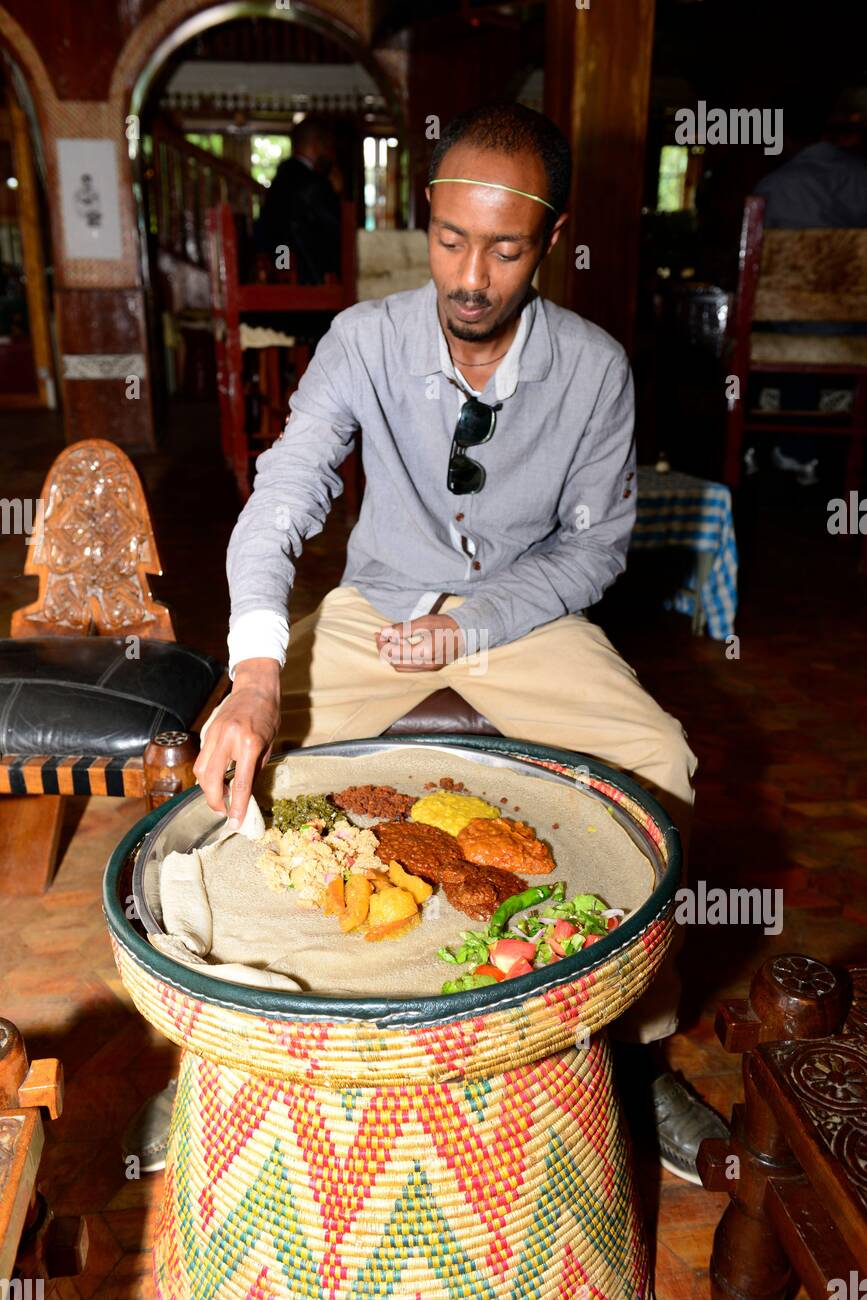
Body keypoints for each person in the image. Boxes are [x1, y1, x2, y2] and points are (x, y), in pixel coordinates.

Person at [127, 103, 724, 1183]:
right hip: (377, 608)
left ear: (549, 241)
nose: (470, 275)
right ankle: (208, 1041)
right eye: (450, 240)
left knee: (661, 764)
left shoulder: (595, 369)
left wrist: (479, 621)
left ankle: (641, 1051)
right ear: (426, 220)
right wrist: (257, 671)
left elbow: (596, 552)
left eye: (503, 248)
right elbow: (284, 494)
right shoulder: (363, 340)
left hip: (525, 614)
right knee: (239, 764)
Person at [750, 107, 867, 477]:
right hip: (856, 328)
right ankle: (798, 450)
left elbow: (755, 270)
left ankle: (753, 446)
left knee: (761, 325)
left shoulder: (772, 186)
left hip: (785, 323)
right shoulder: (862, 177)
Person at [253, 116, 341, 284]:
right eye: (325, 145)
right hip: (305, 266)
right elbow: (334, 226)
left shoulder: (283, 174)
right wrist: (336, 194)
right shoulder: (313, 182)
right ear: (316, 144)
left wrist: (282, 265)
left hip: (282, 255)